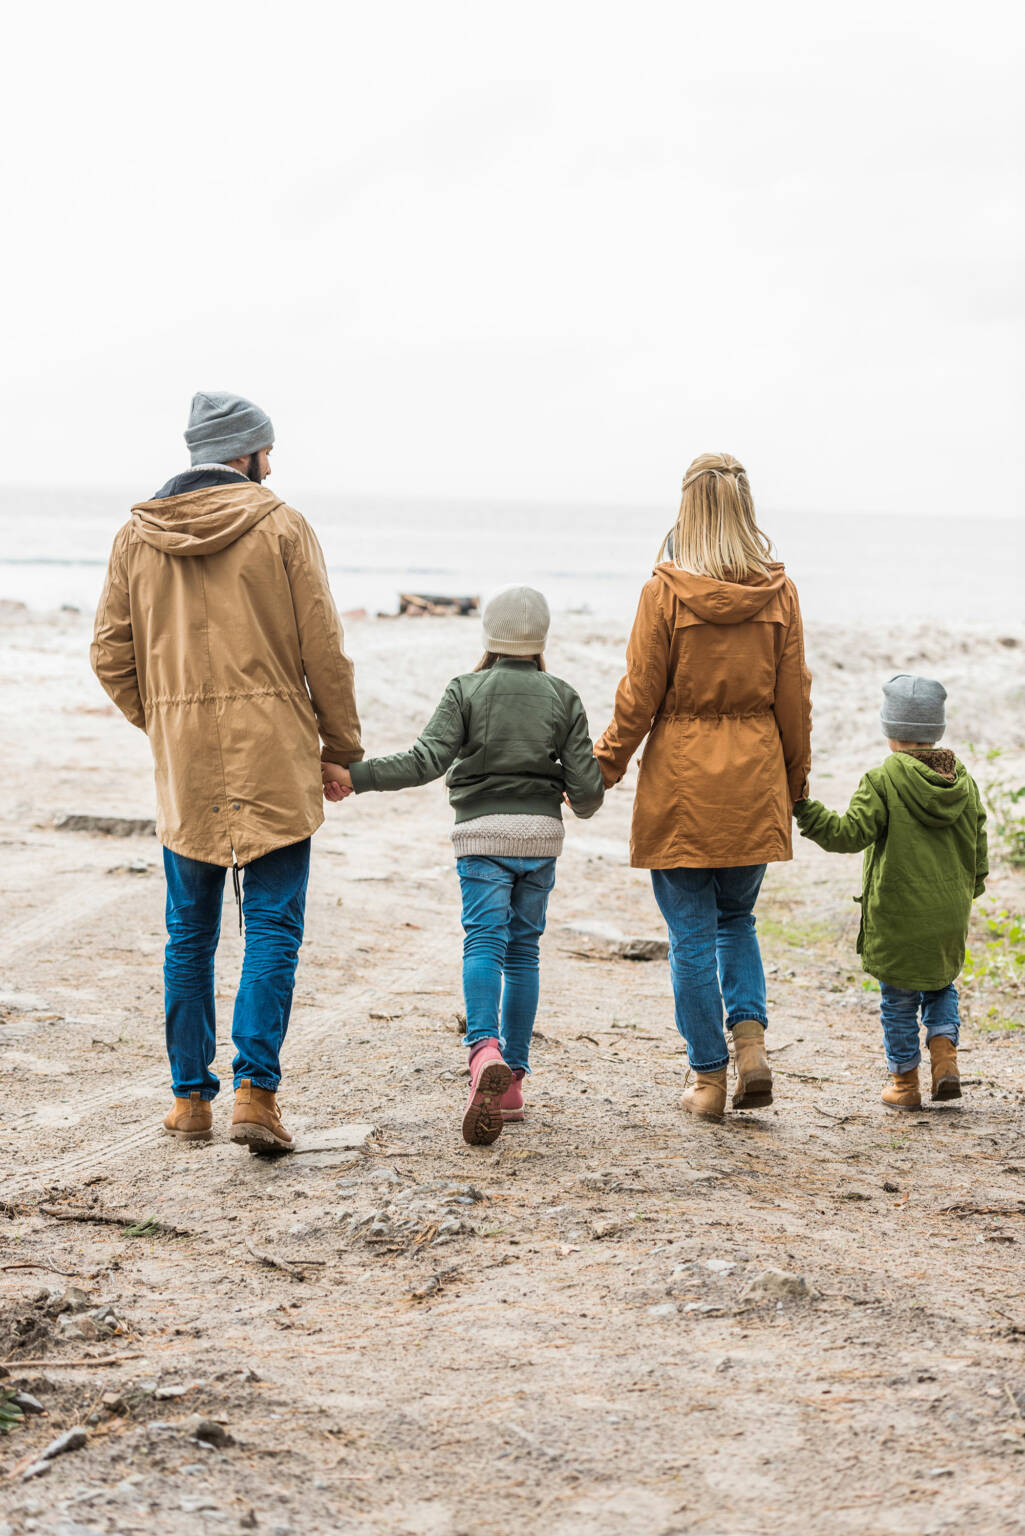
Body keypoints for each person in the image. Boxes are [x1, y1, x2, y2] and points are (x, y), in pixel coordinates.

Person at [91, 392, 363, 1151]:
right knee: (273, 927)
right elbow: (325, 650)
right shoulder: (280, 524)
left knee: (189, 934)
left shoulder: (135, 537)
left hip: (186, 764)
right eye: (266, 450)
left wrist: (167, 721)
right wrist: (337, 747)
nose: (271, 463)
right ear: (246, 452)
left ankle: (189, 1101)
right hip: (274, 751)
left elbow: (110, 654)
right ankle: (255, 1093)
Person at [322, 585, 604, 1145]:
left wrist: (354, 774)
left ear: (489, 635)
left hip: (480, 835)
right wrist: (575, 791)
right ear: (541, 638)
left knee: (483, 944)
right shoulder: (563, 696)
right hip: (540, 838)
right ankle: (514, 1083)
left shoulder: (466, 689)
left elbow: (424, 760)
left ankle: (484, 1053)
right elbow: (589, 793)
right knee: (523, 952)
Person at [594, 452, 812, 1122]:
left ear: (687, 507)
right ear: (744, 506)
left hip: (681, 786)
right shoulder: (779, 594)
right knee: (735, 920)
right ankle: (749, 1047)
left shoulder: (663, 593)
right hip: (753, 779)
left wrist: (602, 768)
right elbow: (793, 701)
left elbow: (638, 696)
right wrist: (795, 785)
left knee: (690, 936)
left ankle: (707, 1080)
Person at [794, 675, 987, 1109]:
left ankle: (904, 1084)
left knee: (898, 1001)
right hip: (948, 915)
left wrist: (804, 809)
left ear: (890, 731)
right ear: (936, 730)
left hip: (898, 916)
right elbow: (979, 843)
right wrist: (968, 891)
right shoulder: (964, 782)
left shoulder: (883, 780)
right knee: (941, 986)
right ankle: (945, 1060)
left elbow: (847, 834)